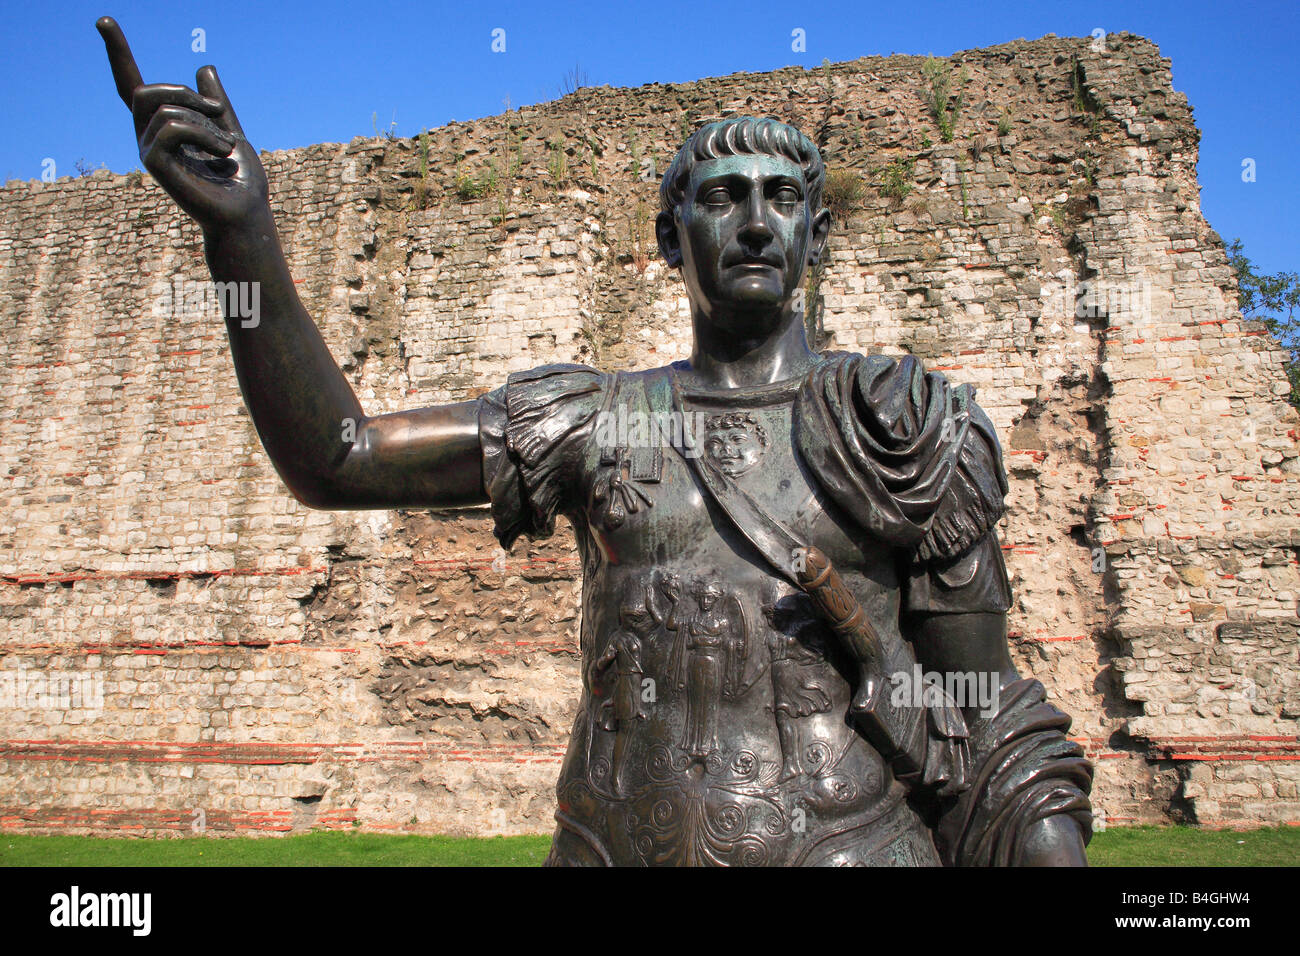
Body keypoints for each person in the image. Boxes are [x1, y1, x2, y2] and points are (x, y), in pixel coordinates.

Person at [98, 16, 1092, 866]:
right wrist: (241, 235)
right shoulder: (594, 418)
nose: (753, 222)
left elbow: (981, 711)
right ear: (670, 240)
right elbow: (338, 457)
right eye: (721, 197)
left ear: (816, 237)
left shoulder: (902, 423)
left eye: (782, 200)